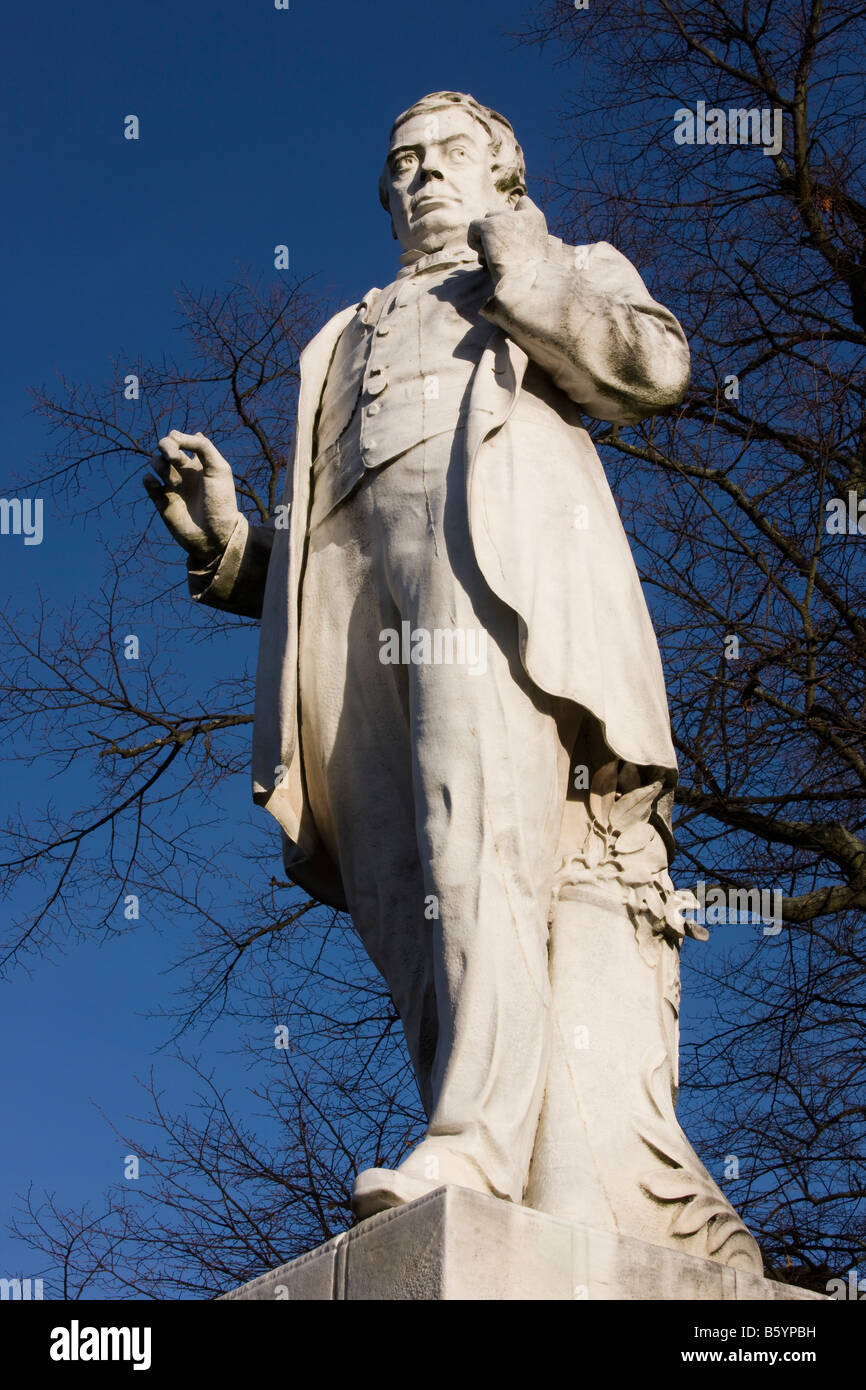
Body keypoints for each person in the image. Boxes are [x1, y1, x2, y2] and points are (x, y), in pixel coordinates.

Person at [144, 91, 690, 1221]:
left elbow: (652, 369)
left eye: (450, 153)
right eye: (403, 161)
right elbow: (319, 550)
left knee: (473, 833)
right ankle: (478, 1126)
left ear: (504, 173)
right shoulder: (335, 337)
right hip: (351, 599)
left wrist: (528, 276)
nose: (423, 173)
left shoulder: (555, 261)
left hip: (485, 575)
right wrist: (236, 547)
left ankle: (475, 1142)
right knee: (404, 895)